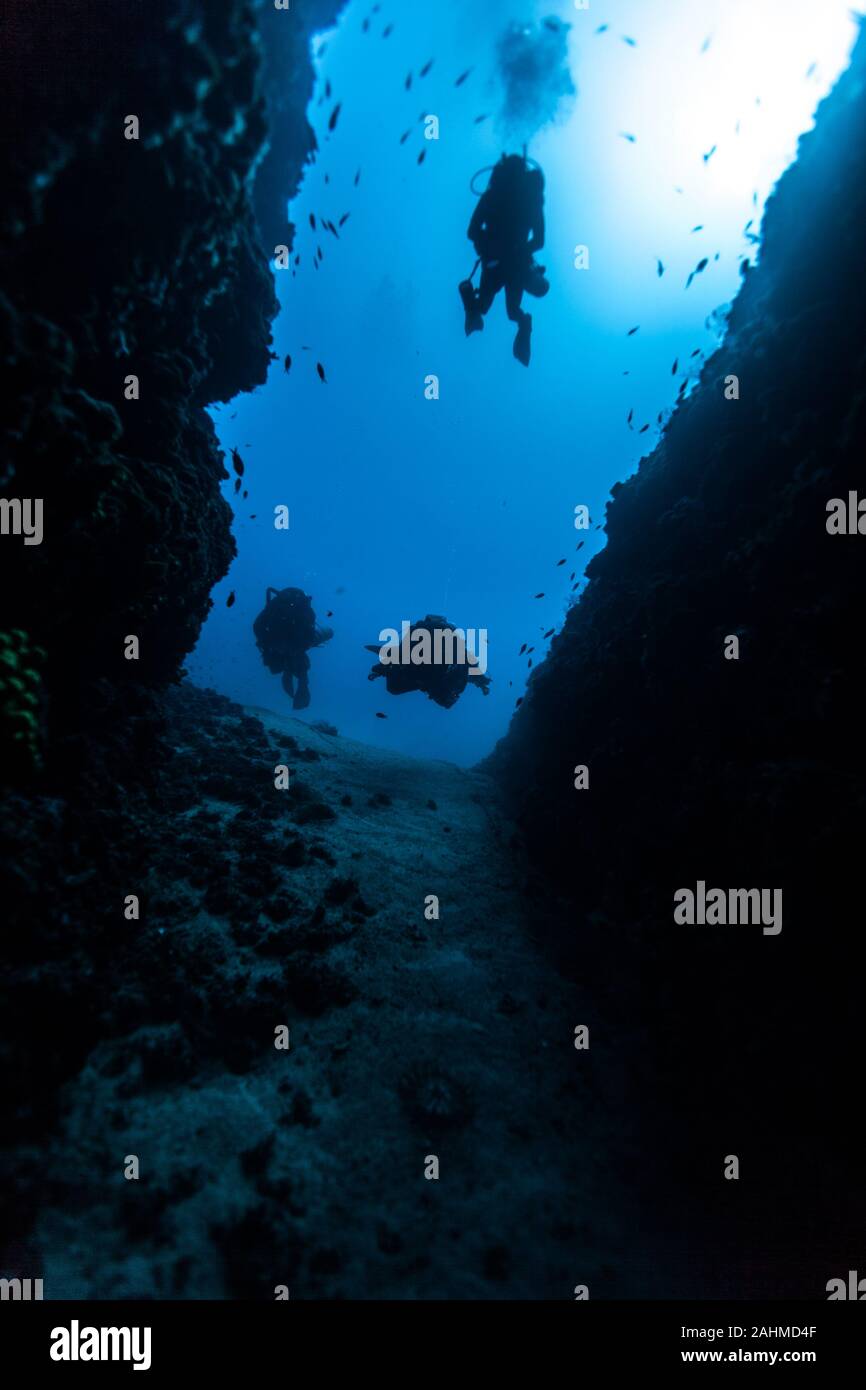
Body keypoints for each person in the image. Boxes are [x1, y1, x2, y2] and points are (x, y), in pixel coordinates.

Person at [458, 153, 549, 366]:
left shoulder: (493, 195)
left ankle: (476, 308)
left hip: (499, 261)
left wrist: (489, 247)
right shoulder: (529, 199)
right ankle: (524, 324)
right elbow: (539, 240)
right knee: (511, 311)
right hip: (513, 263)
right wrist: (518, 251)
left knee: (483, 307)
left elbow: (472, 232)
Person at [366, 615, 491, 709]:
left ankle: (394, 667)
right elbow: (469, 660)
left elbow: (399, 656)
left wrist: (382, 669)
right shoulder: (443, 669)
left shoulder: (449, 675)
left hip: (420, 664)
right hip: (424, 663)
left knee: (395, 686)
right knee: (395, 686)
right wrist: (481, 681)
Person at [253, 586, 332, 711]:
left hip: (284, 644)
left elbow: (258, 625)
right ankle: (297, 678)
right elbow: (309, 636)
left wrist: (266, 644)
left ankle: (295, 677)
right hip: (290, 645)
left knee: (293, 664)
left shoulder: (276, 605)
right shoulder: (306, 610)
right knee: (296, 665)